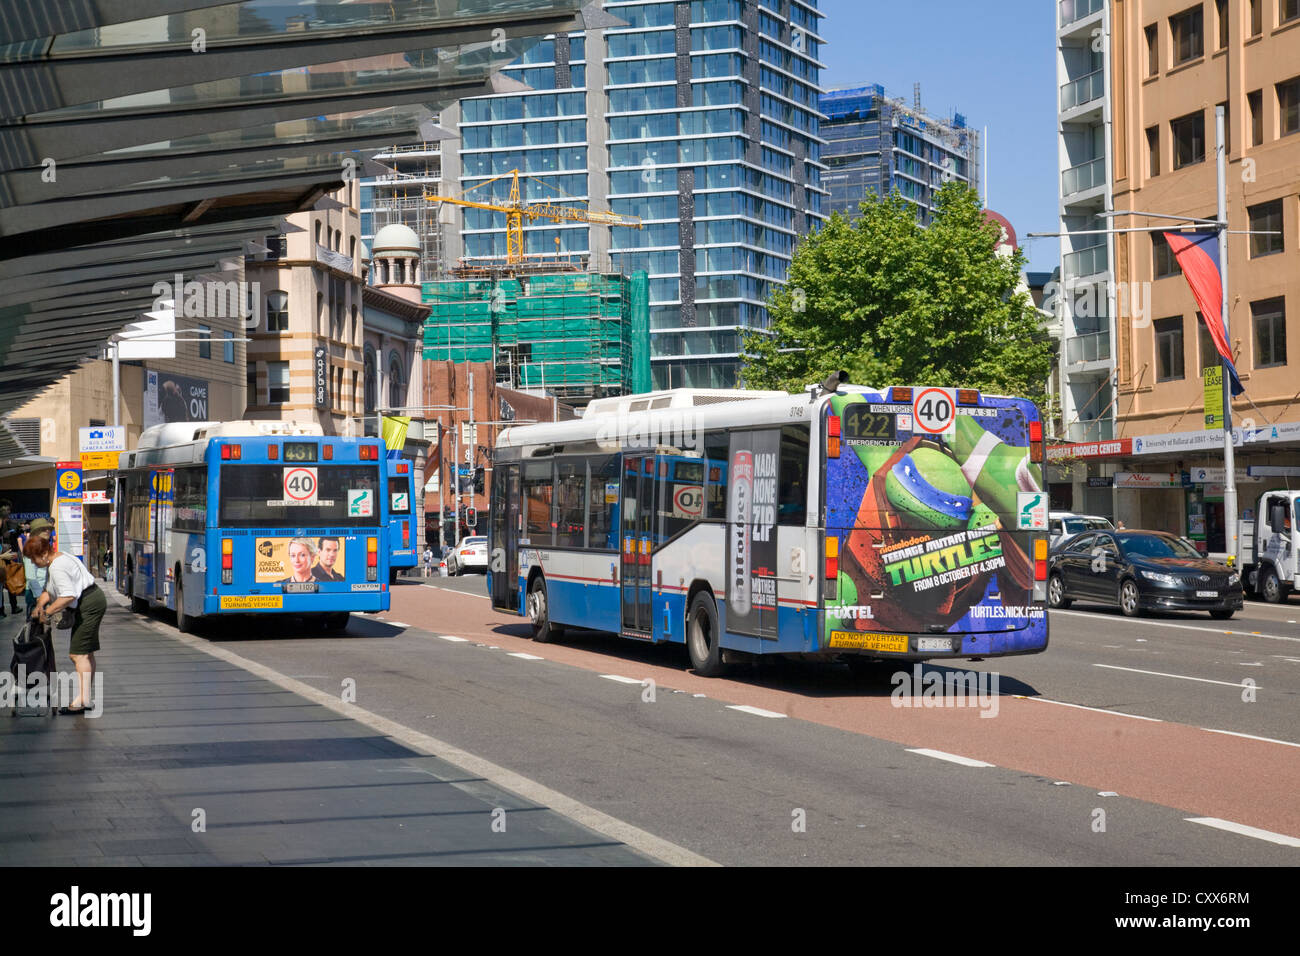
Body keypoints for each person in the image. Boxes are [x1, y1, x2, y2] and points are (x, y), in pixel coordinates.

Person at [25, 535, 104, 715]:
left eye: (33, 558)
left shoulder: (57, 567)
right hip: (91, 600)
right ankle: (85, 698)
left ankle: (83, 701)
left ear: (44, 554)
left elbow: (68, 595)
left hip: (88, 604)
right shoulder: (58, 559)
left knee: (78, 654)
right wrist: (39, 605)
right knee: (86, 652)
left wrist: (48, 612)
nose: (33, 563)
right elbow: (49, 590)